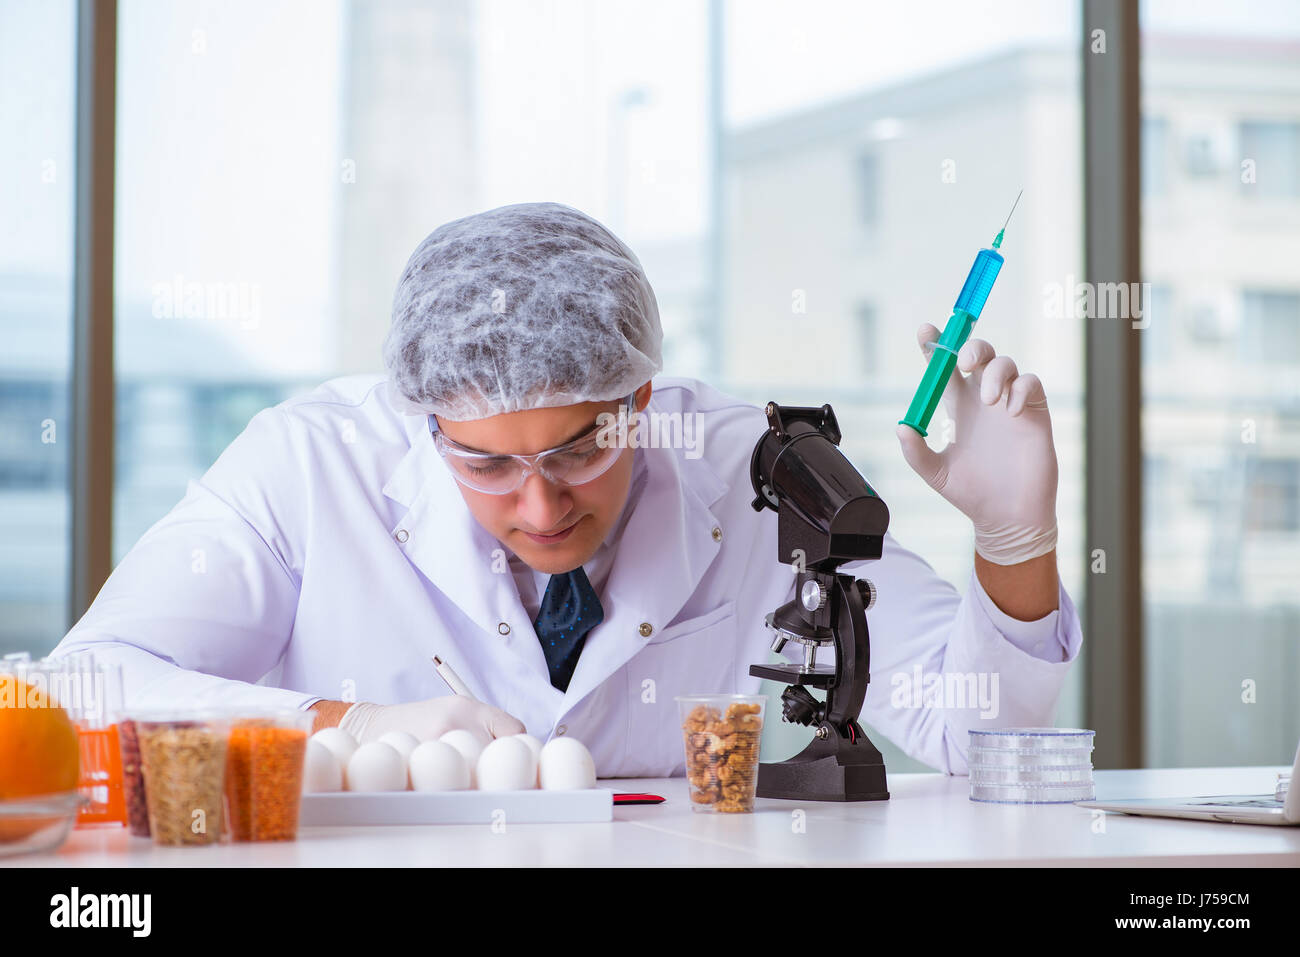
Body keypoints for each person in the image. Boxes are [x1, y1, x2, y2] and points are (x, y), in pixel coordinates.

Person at [52, 202, 1080, 777]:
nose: (540, 509)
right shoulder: (307, 464)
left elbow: (978, 739)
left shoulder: (750, 464)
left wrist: (1012, 543)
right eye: (486, 463)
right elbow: (82, 684)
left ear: (642, 394)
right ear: (423, 421)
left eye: (583, 449)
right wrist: (344, 724)